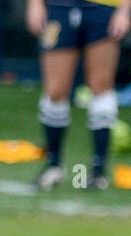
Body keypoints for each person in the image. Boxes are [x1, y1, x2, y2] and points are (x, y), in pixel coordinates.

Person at [28, 0, 131, 191]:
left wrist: (125, 10)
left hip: (104, 7)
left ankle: (98, 171)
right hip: (59, 7)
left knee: (101, 84)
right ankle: (53, 166)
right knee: (55, 90)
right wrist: (35, 4)